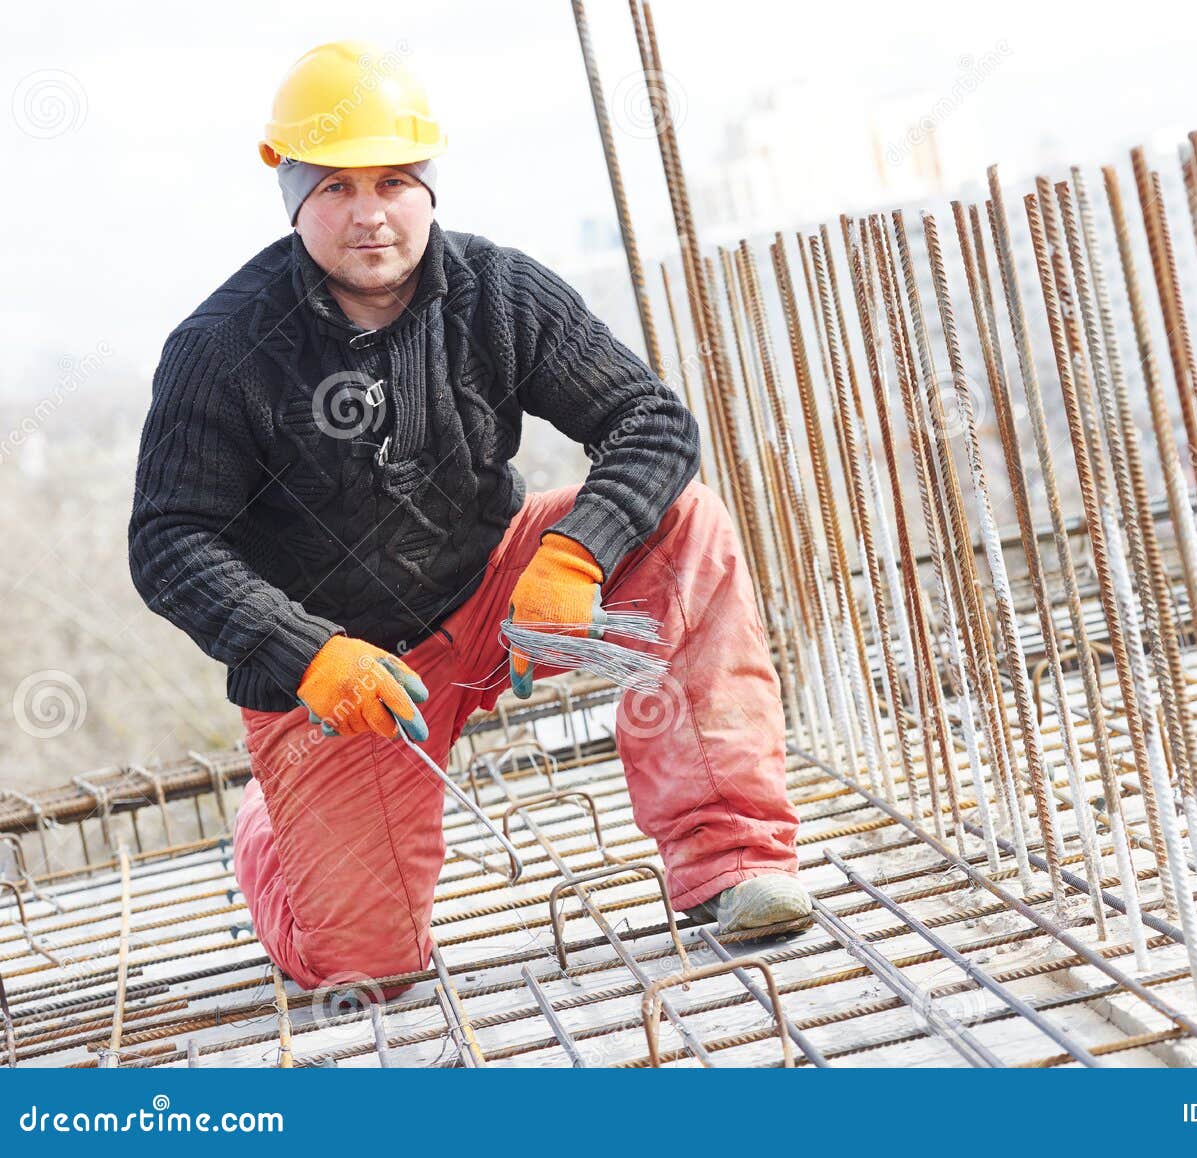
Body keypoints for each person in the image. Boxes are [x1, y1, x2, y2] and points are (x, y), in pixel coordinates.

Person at [127, 40, 809, 996]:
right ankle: (272, 825)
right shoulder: (221, 348)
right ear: (290, 193)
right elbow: (168, 541)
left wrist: (575, 554)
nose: (370, 214)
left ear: (429, 184)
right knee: (363, 972)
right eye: (335, 188)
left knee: (680, 523)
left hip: (497, 593)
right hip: (344, 677)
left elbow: (650, 423)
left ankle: (731, 860)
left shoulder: (498, 292)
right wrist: (306, 653)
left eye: (394, 180)